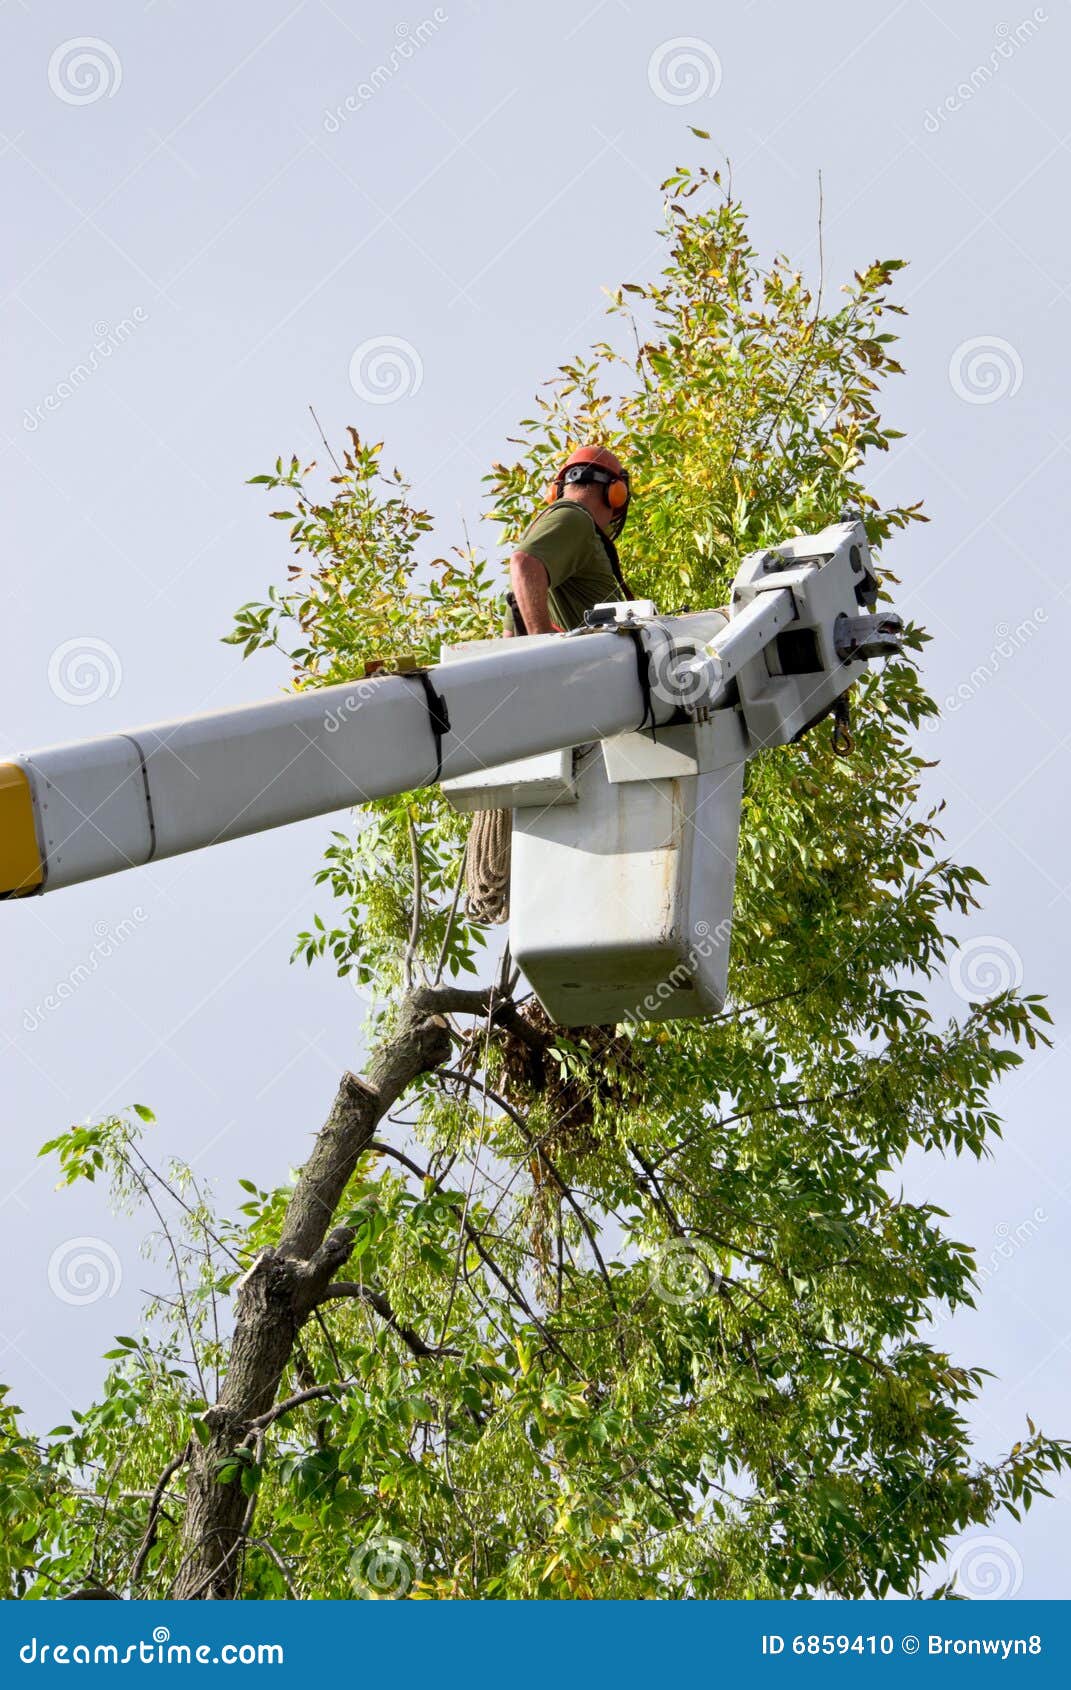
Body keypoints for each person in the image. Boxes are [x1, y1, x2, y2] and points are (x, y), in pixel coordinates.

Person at [504, 445, 633, 636]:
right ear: (614, 493)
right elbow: (523, 562)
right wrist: (543, 642)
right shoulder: (575, 518)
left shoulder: (543, 542)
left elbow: (509, 637)